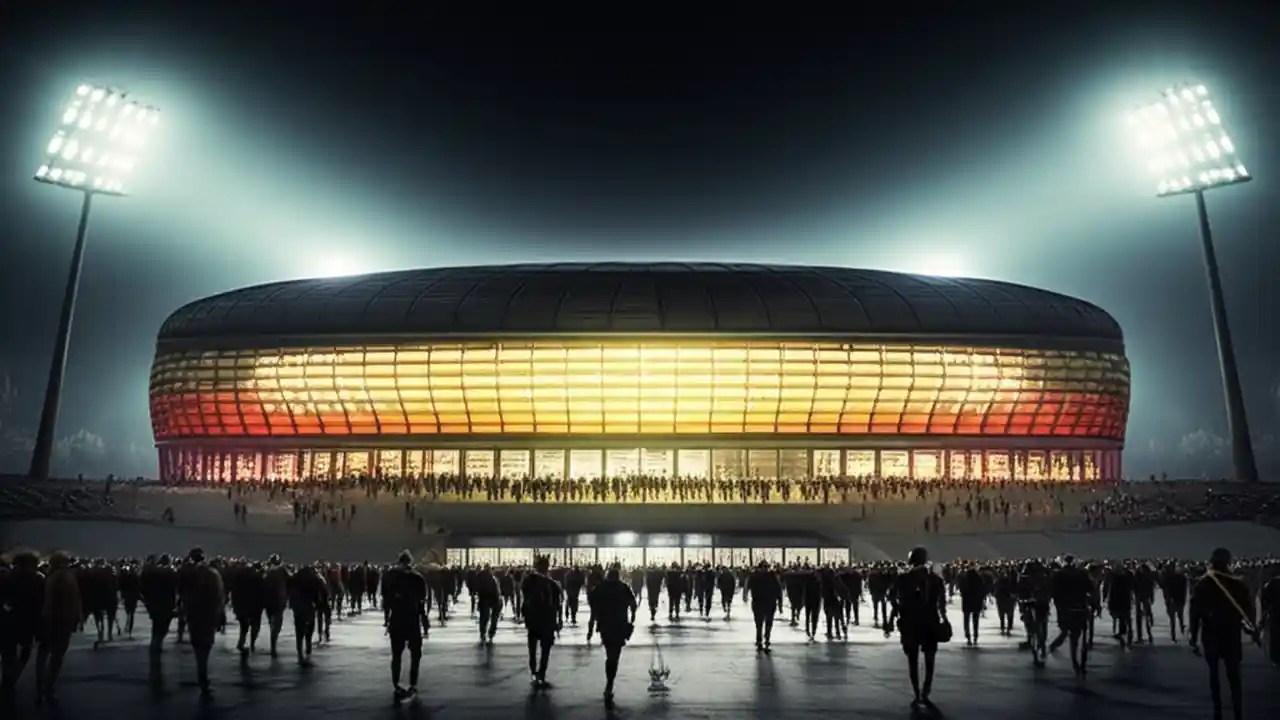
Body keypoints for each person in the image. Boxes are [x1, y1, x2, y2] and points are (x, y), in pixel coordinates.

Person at [1190, 548, 1257, 720]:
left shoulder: (1202, 584)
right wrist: (1251, 627)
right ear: (1228, 562)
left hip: (1211, 632)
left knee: (1214, 674)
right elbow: (1248, 610)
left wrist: (1193, 637)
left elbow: (1195, 613)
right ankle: (1237, 710)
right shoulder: (1238, 584)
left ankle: (1218, 710)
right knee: (1234, 674)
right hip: (1231, 632)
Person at [885, 547, 946, 706]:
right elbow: (941, 604)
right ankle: (926, 690)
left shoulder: (902, 579)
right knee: (930, 658)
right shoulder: (936, 580)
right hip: (930, 622)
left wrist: (891, 620)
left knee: (912, 659)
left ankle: (916, 691)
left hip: (909, 622)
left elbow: (893, 600)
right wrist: (944, 620)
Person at [587, 565, 637, 706]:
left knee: (610, 654)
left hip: (605, 625)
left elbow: (593, 607)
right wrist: (631, 619)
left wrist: (591, 626)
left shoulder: (600, 588)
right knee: (615, 655)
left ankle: (609, 682)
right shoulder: (623, 587)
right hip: (620, 625)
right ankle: (610, 682)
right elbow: (633, 605)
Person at [383, 550, 429, 700]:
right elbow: (421, 601)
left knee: (396, 654)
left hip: (396, 619)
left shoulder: (390, 576)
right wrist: (424, 620)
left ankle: (396, 683)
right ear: (410, 562)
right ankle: (413, 683)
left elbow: (386, 600)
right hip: (412, 619)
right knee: (416, 654)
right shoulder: (417, 577)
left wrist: (387, 619)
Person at [36, 552, 81, 704]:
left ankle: (40, 683)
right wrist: (75, 618)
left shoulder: (49, 577)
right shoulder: (65, 578)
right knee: (57, 655)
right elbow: (71, 600)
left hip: (48, 619)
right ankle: (48, 687)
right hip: (61, 621)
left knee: (44, 652)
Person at [180, 548, 226, 697]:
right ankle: (203, 675)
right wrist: (221, 616)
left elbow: (184, 595)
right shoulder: (214, 574)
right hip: (210, 615)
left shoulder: (189, 574)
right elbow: (220, 597)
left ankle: (202, 674)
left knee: (198, 646)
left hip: (195, 615)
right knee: (206, 646)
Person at [1, 551, 44, 698]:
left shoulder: (6, 577)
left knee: (8, 653)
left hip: (7, 620)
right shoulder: (37, 579)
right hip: (28, 621)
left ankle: (7, 679)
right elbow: (40, 604)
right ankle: (13, 677)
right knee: (25, 650)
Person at [521, 555, 562, 689]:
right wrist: (558, 621)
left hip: (533, 620)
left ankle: (534, 672)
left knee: (532, 649)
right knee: (545, 651)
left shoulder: (528, 581)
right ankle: (541, 674)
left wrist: (525, 615)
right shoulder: (553, 584)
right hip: (547, 620)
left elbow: (525, 600)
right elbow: (558, 605)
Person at [140, 555, 178, 653]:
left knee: (156, 625)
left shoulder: (152, 573)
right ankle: (157, 644)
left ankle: (155, 644)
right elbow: (174, 590)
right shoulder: (171, 573)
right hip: (166, 604)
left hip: (155, 603)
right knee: (163, 627)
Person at [746, 560, 781, 653]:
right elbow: (778, 589)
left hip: (759, 602)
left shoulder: (754, 576)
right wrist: (779, 601)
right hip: (769, 602)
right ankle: (765, 640)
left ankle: (760, 641)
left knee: (759, 624)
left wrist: (745, 596)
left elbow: (747, 586)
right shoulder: (772, 576)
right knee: (767, 623)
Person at [233, 561, 266, 655]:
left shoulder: (240, 578)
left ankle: (241, 643)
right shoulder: (258, 578)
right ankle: (252, 643)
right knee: (255, 626)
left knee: (243, 626)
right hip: (255, 606)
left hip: (242, 605)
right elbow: (262, 592)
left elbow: (235, 592)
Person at [263, 555, 290, 657]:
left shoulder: (266, 572)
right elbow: (291, 580)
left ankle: (272, 644)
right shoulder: (282, 571)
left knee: (271, 623)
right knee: (276, 625)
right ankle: (273, 646)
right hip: (279, 601)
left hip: (268, 601)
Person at [474, 565, 501, 645]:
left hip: (483, 599)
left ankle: (483, 633)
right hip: (494, 599)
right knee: (494, 618)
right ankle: (491, 633)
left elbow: (477, 589)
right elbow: (497, 590)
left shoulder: (479, 578)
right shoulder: (494, 579)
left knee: (484, 618)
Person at [1261, 571, 1280, 666]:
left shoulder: (1272, 583)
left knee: (1275, 636)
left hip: (1275, 613)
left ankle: (1275, 658)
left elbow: (1265, 598)